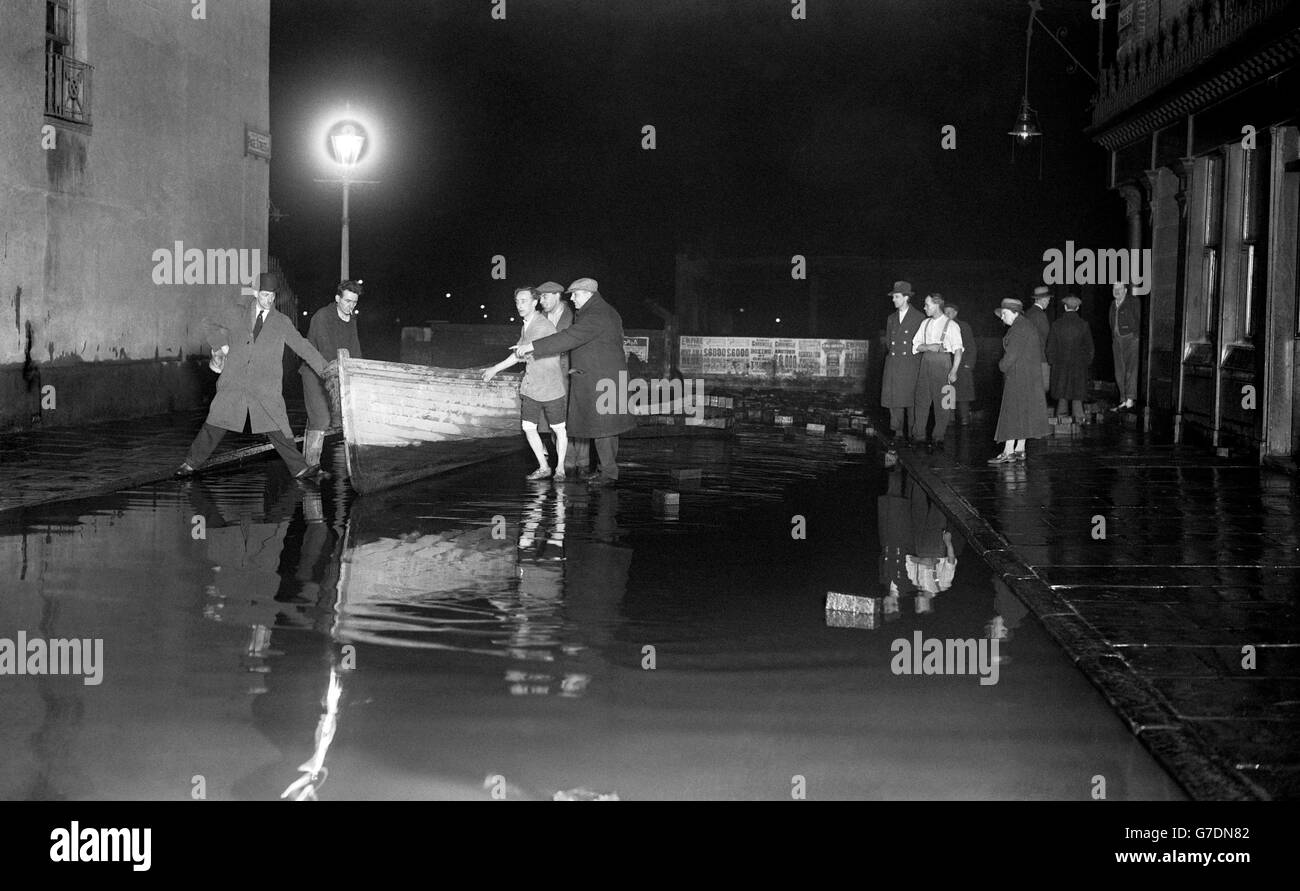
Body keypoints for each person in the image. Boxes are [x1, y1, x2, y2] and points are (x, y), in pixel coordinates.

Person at [177, 271, 333, 478]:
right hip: (234, 381)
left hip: (265, 386)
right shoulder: (236, 313)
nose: (268, 300)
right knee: (215, 423)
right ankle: (190, 464)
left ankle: (300, 468)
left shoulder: (281, 322)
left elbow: (303, 347)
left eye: (272, 296)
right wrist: (221, 345)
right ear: (255, 293)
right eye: (264, 295)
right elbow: (208, 322)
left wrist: (327, 370)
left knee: (278, 427)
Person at [515, 277, 634, 487]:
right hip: (603, 376)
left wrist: (534, 346)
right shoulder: (600, 311)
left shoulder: (597, 314)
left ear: (588, 294)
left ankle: (608, 474)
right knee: (604, 428)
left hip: (602, 379)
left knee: (603, 428)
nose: (573, 299)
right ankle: (605, 470)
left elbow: (570, 337)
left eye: (576, 295)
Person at [483, 287, 569, 480]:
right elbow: (519, 353)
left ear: (534, 302)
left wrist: (496, 368)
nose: (519, 305)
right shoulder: (526, 325)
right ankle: (544, 467)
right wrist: (496, 368)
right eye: (517, 302)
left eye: (524, 301)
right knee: (529, 427)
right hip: (531, 387)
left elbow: (523, 351)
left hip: (550, 386)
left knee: (558, 428)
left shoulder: (541, 325)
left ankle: (561, 468)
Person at [300, 279, 363, 467]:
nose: (350, 306)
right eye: (347, 301)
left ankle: (343, 470)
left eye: (354, 302)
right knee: (322, 419)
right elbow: (326, 352)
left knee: (346, 417)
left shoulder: (351, 320)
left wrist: (359, 374)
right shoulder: (322, 316)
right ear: (337, 298)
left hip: (337, 372)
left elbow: (355, 350)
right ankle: (310, 466)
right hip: (314, 371)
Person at [988, 298, 1049, 464]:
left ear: (1015, 313)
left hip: (1018, 377)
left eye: (1004, 314)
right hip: (1028, 377)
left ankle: (1008, 451)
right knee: (1022, 413)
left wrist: (1001, 365)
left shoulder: (1019, 328)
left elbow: (1011, 355)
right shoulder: (1026, 325)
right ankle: (1019, 449)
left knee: (1011, 413)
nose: (1002, 317)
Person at [536, 281, 586, 477]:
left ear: (557, 295)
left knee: (576, 417)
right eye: (539, 298)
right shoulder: (539, 318)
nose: (541, 301)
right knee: (554, 418)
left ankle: (582, 462)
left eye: (545, 297)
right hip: (547, 374)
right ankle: (563, 462)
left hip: (569, 373)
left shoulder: (576, 316)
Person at [910, 292, 963, 452]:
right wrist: (929, 347)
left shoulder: (952, 325)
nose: (924, 307)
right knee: (921, 401)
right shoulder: (924, 323)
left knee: (944, 404)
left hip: (944, 365)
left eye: (927, 304)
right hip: (925, 363)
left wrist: (954, 371)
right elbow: (916, 346)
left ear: (936, 305)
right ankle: (919, 437)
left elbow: (958, 351)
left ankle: (938, 438)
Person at [881, 280, 925, 446]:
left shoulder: (919, 317)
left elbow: (920, 341)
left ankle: (914, 432)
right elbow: (889, 342)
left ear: (906, 297)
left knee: (911, 400)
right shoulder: (891, 318)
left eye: (897, 297)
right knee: (895, 399)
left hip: (911, 364)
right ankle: (898, 431)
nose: (893, 300)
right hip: (894, 363)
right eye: (893, 297)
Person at [1046, 293, 1094, 424]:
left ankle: (1061, 424)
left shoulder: (1056, 325)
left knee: (1062, 398)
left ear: (1065, 307)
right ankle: (1079, 424)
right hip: (1079, 369)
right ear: (1077, 308)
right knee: (1078, 399)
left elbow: (1050, 348)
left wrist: (1053, 362)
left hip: (1060, 368)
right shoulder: (1084, 325)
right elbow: (1090, 349)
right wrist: (1085, 363)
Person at [1108, 281, 1141, 412]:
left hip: (1130, 338)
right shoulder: (1112, 304)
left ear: (1126, 290)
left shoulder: (1133, 302)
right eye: (1114, 288)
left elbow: (1138, 319)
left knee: (1131, 369)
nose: (1117, 291)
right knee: (1119, 370)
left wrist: (1135, 335)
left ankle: (1130, 399)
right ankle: (1123, 399)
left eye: (1120, 288)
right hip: (1117, 340)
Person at [942, 302, 977, 425]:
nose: (947, 314)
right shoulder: (941, 326)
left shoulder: (963, 326)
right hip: (946, 365)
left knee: (963, 395)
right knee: (948, 391)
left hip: (962, 365)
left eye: (949, 312)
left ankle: (964, 419)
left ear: (955, 313)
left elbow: (971, 346)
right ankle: (949, 419)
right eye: (945, 312)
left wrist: (969, 364)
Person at [1025, 285, 1053, 398]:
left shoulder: (1028, 313)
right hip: (1041, 358)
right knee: (1042, 390)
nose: (1049, 301)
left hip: (1028, 358)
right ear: (1041, 299)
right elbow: (1047, 338)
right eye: (1047, 299)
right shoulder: (1041, 315)